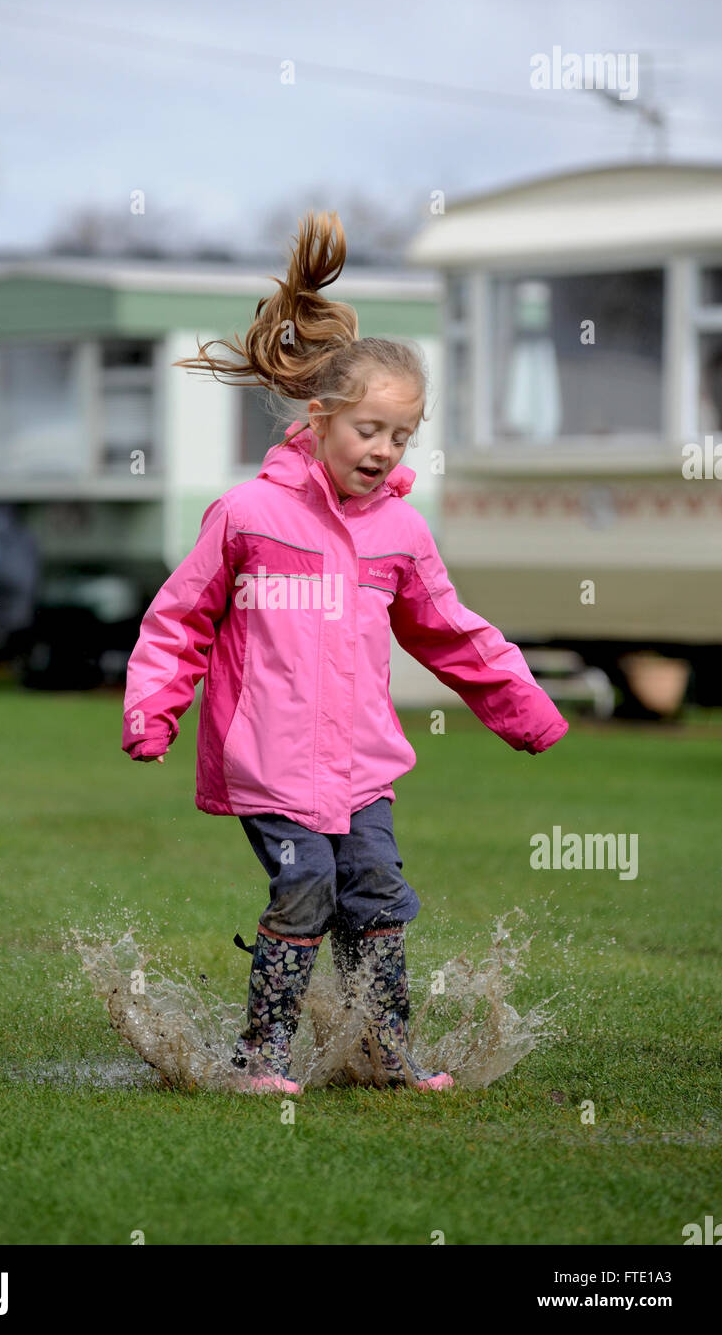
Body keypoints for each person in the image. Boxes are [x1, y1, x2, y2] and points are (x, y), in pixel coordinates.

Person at [122, 211, 569, 1096]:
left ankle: (384, 1056)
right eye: (369, 429)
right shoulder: (247, 515)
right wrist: (154, 709)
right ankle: (260, 1062)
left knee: (376, 902)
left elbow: (452, 630)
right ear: (320, 418)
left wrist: (522, 707)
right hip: (271, 767)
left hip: (361, 767)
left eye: (401, 437)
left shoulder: (400, 532)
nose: (384, 450)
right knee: (306, 893)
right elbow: (179, 619)